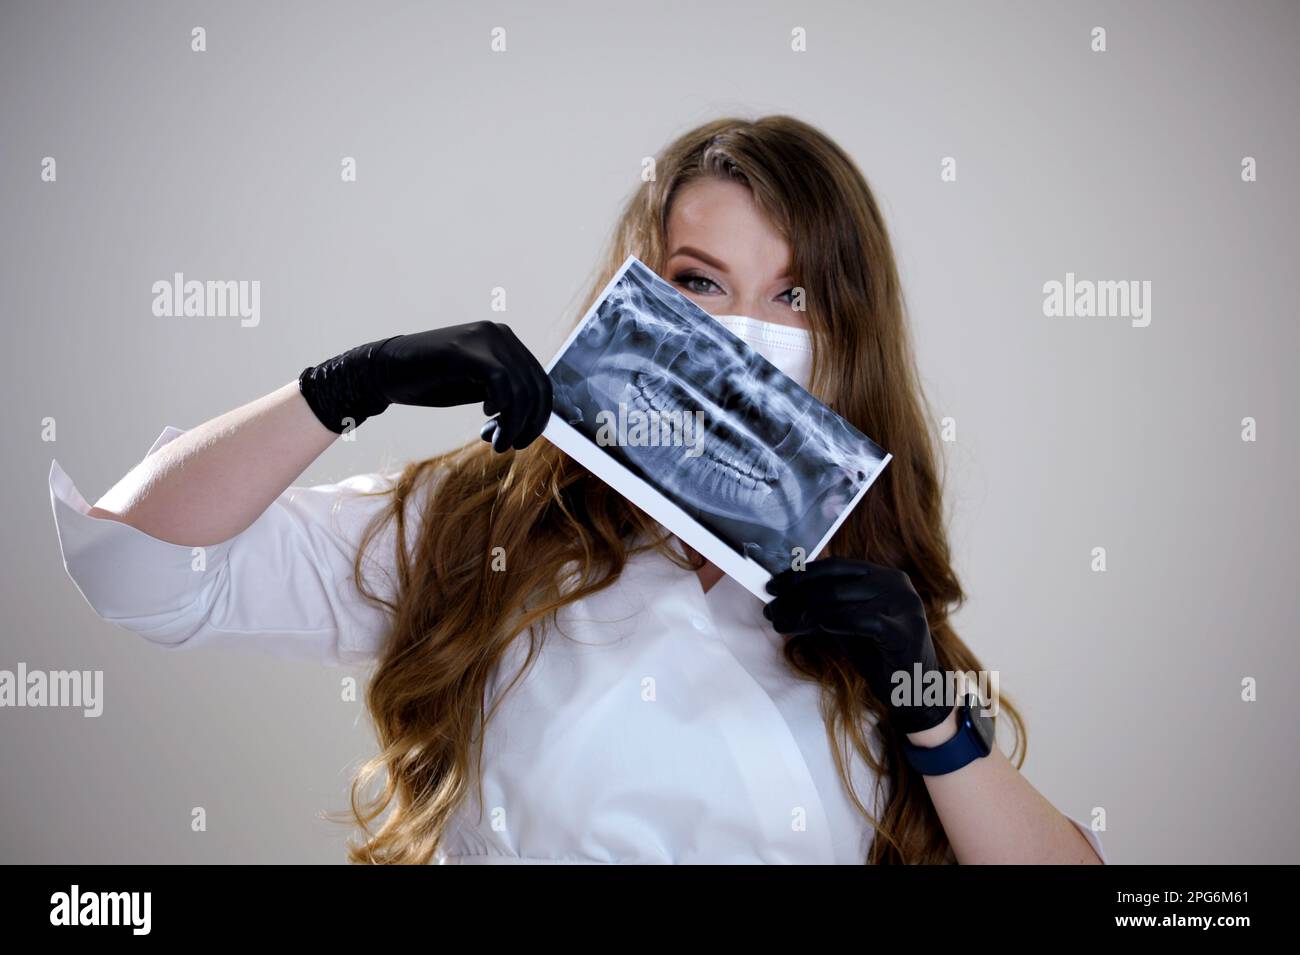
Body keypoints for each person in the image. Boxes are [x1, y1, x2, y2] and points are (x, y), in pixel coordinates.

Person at [48, 115, 1106, 865]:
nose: (746, 331)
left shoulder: (878, 618)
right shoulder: (479, 530)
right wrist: (346, 385)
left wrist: (927, 706)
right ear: (637, 298)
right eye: (699, 282)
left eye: (794, 294)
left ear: (848, 340)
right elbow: (136, 567)